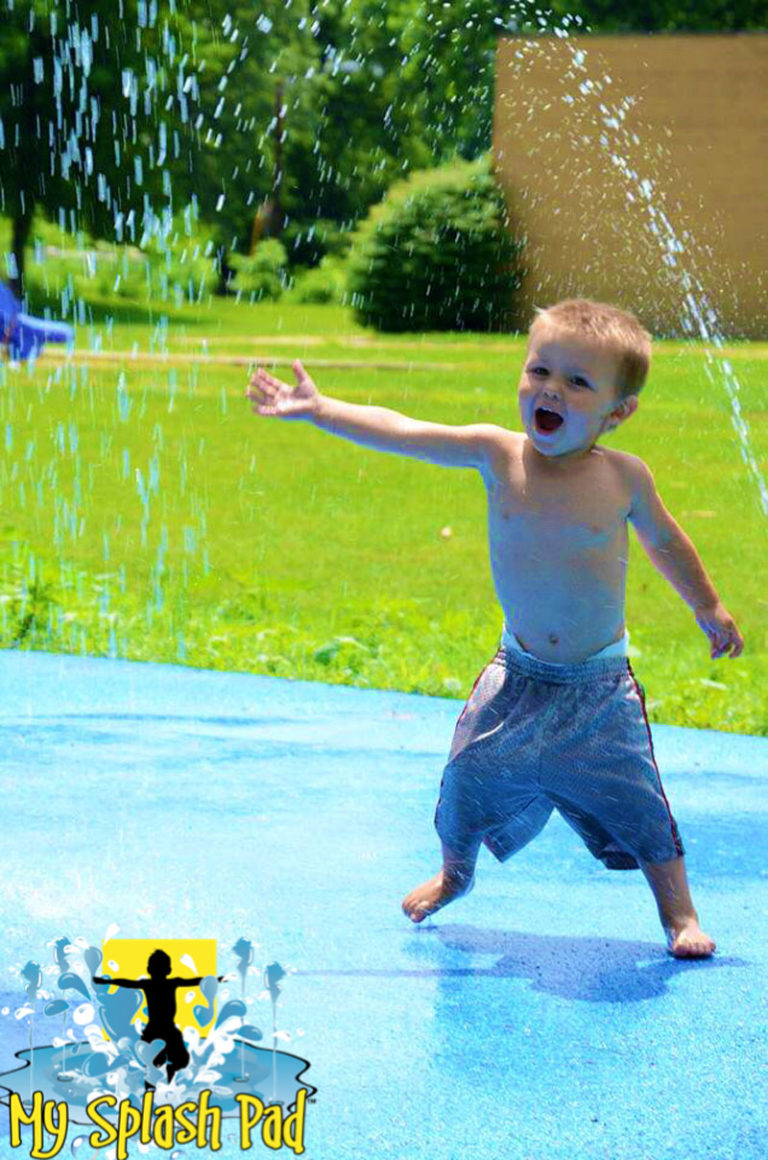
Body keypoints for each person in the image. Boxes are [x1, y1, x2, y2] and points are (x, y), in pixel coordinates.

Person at [246, 298, 743, 959]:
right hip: (517, 675)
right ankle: (455, 873)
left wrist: (707, 606)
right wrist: (320, 409)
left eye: (577, 382)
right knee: (466, 779)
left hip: (598, 684)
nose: (551, 390)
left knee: (638, 799)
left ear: (617, 413)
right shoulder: (497, 453)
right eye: (540, 370)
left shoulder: (623, 477)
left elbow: (666, 542)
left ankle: (680, 916)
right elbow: (404, 430)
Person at [94, 950, 225, 1081]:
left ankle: (161, 1078)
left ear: (149, 969)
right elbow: (195, 981)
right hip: (164, 1029)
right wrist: (214, 980)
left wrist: (106, 982)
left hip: (156, 1030)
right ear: (168, 970)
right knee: (172, 1061)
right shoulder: (168, 983)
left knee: (162, 1062)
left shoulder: (150, 984)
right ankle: (165, 1076)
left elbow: (127, 982)